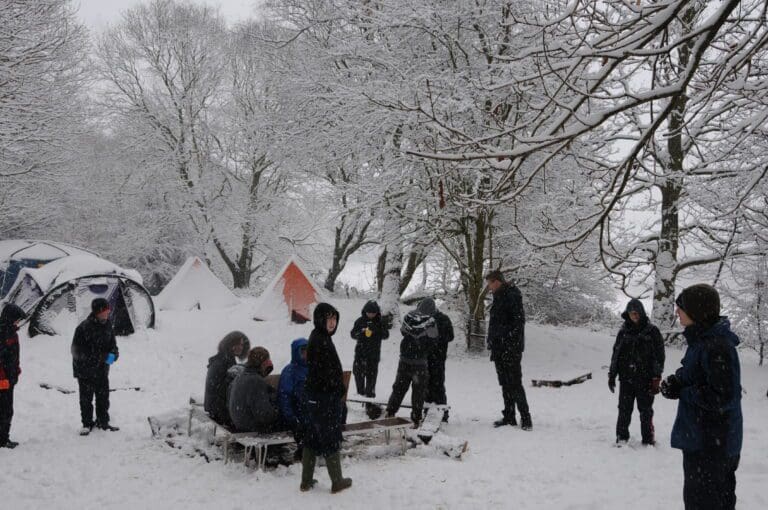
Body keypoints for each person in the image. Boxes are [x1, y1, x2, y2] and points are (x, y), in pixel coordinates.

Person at [661, 284, 742, 510]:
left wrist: (683, 392)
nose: (677, 312)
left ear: (697, 310)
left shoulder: (716, 346)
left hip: (711, 445)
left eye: (681, 307)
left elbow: (722, 396)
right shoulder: (702, 340)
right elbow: (697, 374)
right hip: (706, 441)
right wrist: (678, 380)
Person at [301, 302, 352, 494]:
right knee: (329, 437)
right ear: (320, 319)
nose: (332, 323)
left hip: (316, 397)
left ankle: (305, 481)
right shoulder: (321, 339)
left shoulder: (319, 337)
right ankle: (337, 481)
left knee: (312, 437)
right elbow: (324, 373)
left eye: (334, 319)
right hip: (324, 398)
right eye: (328, 318)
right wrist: (337, 388)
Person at [608, 299, 665, 445]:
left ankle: (648, 439)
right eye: (631, 313)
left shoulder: (652, 331)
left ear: (641, 312)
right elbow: (616, 354)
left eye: (636, 313)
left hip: (645, 379)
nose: (634, 316)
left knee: (645, 411)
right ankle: (621, 438)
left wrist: (656, 377)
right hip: (626, 378)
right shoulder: (623, 332)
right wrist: (612, 375)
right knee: (624, 410)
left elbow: (659, 356)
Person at [485, 270, 532, 430]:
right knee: (505, 383)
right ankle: (509, 416)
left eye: (490, 283)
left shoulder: (511, 296)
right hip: (499, 349)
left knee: (515, 383)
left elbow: (518, 324)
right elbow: (496, 323)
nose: (489, 287)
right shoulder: (498, 297)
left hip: (510, 349)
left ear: (497, 282)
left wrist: (507, 342)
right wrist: (492, 341)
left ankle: (526, 419)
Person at [385, 299, 439, 427]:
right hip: (420, 362)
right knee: (418, 391)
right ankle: (416, 418)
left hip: (404, 359)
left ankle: (390, 411)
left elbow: (403, 331)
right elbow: (434, 341)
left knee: (399, 387)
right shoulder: (431, 322)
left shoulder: (408, 316)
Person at [71, 298, 120, 435]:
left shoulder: (108, 325)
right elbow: (76, 351)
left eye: (108, 310)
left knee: (103, 397)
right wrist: (97, 358)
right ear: (98, 312)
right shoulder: (83, 328)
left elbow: (113, 346)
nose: (108, 313)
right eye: (105, 310)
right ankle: (87, 424)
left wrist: (112, 356)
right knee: (86, 398)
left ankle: (103, 421)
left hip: (102, 370)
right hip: (85, 371)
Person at [228, 347, 280, 433]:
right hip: (250, 427)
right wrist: (277, 412)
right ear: (263, 363)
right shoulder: (255, 381)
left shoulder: (241, 375)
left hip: (239, 422)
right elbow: (264, 415)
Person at [204, 331, 249, 427]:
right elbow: (225, 389)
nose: (241, 347)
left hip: (213, 407)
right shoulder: (224, 362)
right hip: (218, 410)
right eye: (238, 344)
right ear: (231, 345)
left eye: (242, 344)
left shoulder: (223, 358)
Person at [350, 300, 389, 398]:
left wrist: (376, 330)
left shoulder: (380, 322)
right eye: (369, 313)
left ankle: (370, 398)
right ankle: (360, 395)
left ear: (377, 313)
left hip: (373, 355)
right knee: (358, 375)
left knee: (371, 378)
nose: (371, 315)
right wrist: (361, 333)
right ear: (365, 311)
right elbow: (353, 334)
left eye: (373, 313)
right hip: (360, 354)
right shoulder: (359, 321)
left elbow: (386, 335)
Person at [0, 304, 27, 448]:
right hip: (2, 380)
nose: (18, 322)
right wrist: (2, 377)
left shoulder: (12, 333)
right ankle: (2, 439)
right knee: (5, 410)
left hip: (9, 378)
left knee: (7, 409)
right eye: (16, 320)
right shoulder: (3, 333)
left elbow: (12, 355)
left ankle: (4, 437)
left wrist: (16, 369)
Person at [278, 338, 309, 460]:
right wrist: (291, 417)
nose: (306, 354)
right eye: (303, 351)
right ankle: (304, 448)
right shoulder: (290, 371)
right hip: (297, 411)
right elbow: (284, 396)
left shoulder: (314, 367)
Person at [424, 298, 454, 423]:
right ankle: (427, 410)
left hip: (438, 357)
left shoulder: (443, 319)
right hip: (426, 356)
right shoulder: (424, 318)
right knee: (426, 384)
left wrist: (437, 336)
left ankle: (442, 412)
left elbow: (450, 336)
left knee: (438, 384)